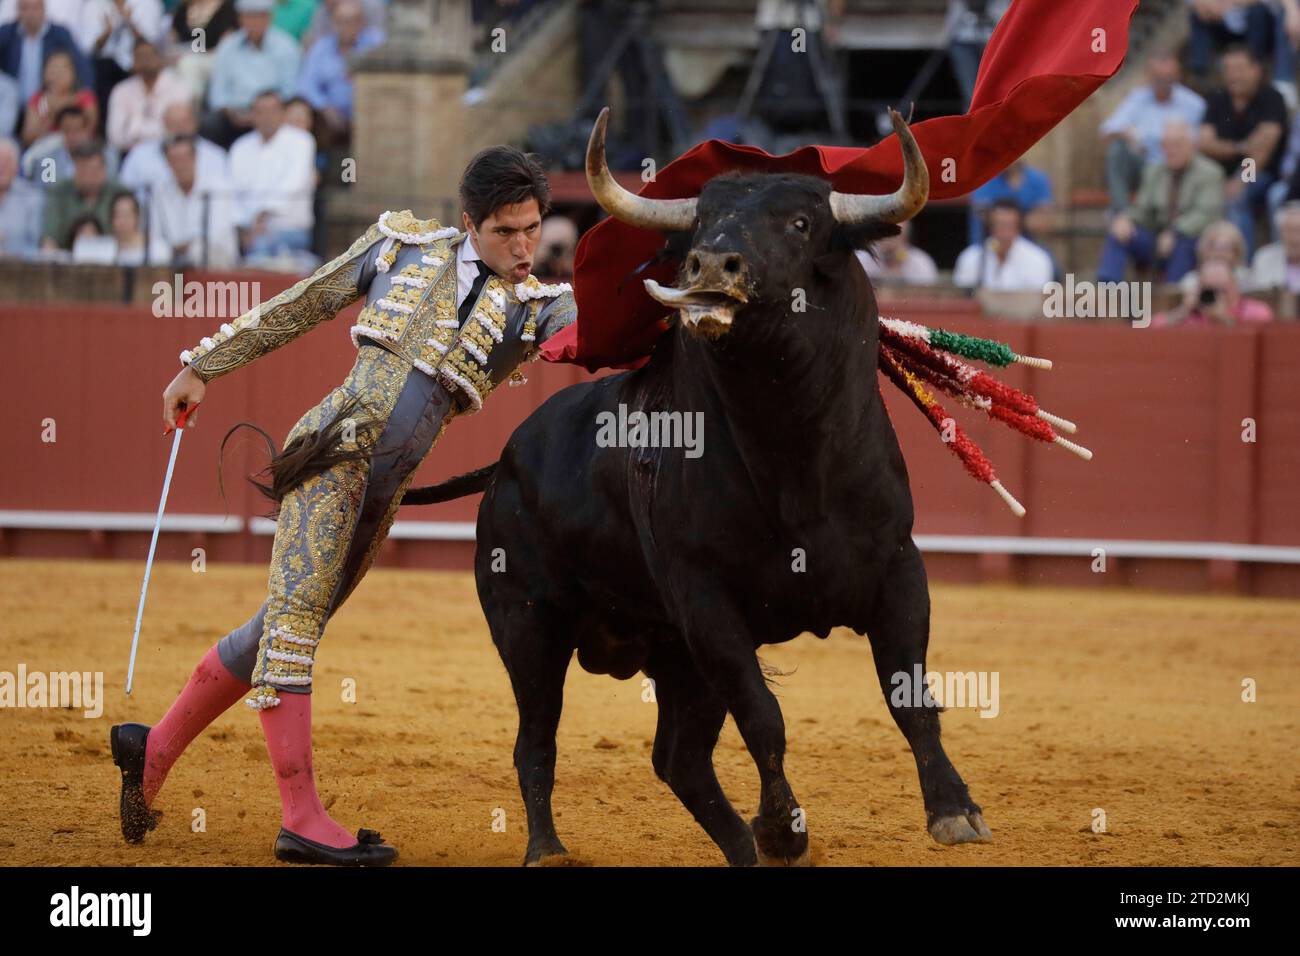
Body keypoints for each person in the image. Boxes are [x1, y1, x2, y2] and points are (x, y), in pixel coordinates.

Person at [110, 144, 578, 866]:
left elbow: (592, 335)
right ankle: (300, 818)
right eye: (505, 233)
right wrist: (201, 366)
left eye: (532, 229)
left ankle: (153, 749)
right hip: (330, 455)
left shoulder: (534, 306)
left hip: (380, 496)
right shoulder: (399, 247)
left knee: (280, 626)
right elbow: (302, 304)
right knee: (294, 631)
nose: (523, 248)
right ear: (468, 223)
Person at [1098, 118, 1225, 283]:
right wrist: (1126, 219)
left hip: (1192, 240)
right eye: (1166, 145)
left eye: (1177, 144)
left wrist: (1175, 232)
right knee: (1120, 232)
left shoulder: (1211, 173)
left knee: (1183, 246)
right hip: (1158, 239)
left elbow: (1206, 214)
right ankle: (1106, 289)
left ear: (1192, 145)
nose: (1171, 150)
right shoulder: (1154, 171)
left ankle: (1171, 295)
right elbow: (1143, 210)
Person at [1199, 44, 1288, 254]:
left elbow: (1262, 150)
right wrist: (1241, 146)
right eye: (1228, 69)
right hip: (1219, 175)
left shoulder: (1272, 98)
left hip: (1261, 173)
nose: (1233, 76)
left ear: (1256, 70)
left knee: (1238, 197)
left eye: (1239, 69)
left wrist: (1241, 179)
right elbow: (1204, 142)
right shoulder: (1218, 99)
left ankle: (1242, 266)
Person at [1099, 50, 1206, 213]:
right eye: (1158, 77)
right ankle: (1121, 214)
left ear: (1178, 75)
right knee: (1118, 150)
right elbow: (1107, 131)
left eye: (1168, 77)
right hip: (1144, 165)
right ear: (1149, 76)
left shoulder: (1194, 104)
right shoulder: (1137, 98)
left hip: (1177, 169)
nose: (1163, 82)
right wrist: (1127, 134)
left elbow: (1199, 143)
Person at [227, 88, 314, 263]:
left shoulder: (302, 141)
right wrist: (245, 227)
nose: (266, 117)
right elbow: (230, 192)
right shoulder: (240, 147)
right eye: (260, 112)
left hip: (289, 228)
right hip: (245, 230)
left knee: (258, 254)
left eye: (272, 111)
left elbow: (293, 184)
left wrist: (260, 217)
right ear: (252, 115)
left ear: (282, 113)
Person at [202, 0, 299, 148]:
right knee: (210, 124)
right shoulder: (228, 46)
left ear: (269, 17)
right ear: (240, 18)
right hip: (235, 115)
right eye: (250, 16)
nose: (255, 21)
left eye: (260, 15)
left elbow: (289, 90)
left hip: (272, 111)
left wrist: (263, 111)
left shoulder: (286, 46)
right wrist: (231, 111)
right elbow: (218, 94)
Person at [295, 0, 382, 145]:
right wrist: (324, 106)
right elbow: (306, 85)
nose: (346, 27)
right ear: (333, 23)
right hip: (330, 119)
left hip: (370, 112)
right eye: (340, 21)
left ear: (362, 22)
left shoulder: (376, 43)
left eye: (352, 21)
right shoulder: (321, 47)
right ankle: (327, 164)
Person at [147, 132, 238, 266]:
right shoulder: (159, 192)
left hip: (216, 265)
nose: (181, 165)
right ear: (167, 162)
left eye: (185, 158)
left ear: (195, 158)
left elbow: (217, 237)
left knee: (203, 250)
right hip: (172, 264)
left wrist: (182, 247)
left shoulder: (218, 188)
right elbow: (155, 235)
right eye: (174, 160)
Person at [118, 99, 227, 194]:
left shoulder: (216, 156)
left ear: (195, 123)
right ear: (164, 124)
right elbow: (126, 192)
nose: (178, 129)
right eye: (173, 123)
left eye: (184, 122)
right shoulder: (139, 156)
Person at [105, 37, 189, 153]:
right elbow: (115, 137)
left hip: (169, 152)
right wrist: (158, 129)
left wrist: (135, 127)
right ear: (133, 62)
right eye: (140, 57)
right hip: (131, 154)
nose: (145, 61)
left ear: (160, 59)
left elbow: (178, 131)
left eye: (149, 56)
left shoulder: (177, 86)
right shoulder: (121, 90)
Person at [0, 0, 92, 105]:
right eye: (24, 8)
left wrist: (86, 97)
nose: (30, 14)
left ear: (43, 9)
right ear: (17, 11)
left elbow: (82, 65)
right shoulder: (7, 33)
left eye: (35, 8)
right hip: (10, 105)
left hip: (47, 106)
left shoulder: (59, 35)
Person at [39, 137, 126, 247]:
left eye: (93, 171)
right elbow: (49, 238)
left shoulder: (119, 194)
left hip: (113, 259)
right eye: (83, 171)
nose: (88, 177)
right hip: (66, 259)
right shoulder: (59, 193)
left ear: (103, 171)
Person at [953, 197, 1054, 291]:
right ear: (990, 226)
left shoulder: (1037, 259)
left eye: (1009, 226)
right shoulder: (970, 258)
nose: (1004, 233)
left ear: (1019, 227)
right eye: (1000, 225)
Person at [1155, 256, 1274, 324]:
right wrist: (1181, 312)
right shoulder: (1190, 313)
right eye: (1210, 289)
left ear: (1235, 288)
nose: (1216, 296)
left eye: (1222, 290)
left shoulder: (1256, 311)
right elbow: (1150, 332)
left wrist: (1225, 319)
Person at [18, 48, 96, 146]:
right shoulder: (38, 100)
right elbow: (28, 137)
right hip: (46, 151)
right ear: (44, 73)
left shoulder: (85, 97)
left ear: (73, 73)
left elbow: (90, 130)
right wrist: (49, 116)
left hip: (78, 151)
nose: (57, 74)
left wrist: (61, 105)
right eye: (53, 68)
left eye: (63, 69)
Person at [945, 0, 1011, 108]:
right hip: (961, 36)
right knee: (970, 95)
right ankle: (972, 123)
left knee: (999, 92)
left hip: (997, 35)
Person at [854, 218, 939, 285]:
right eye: (885, 236)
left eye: (896, 237)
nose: (890, 243)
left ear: (906, 239)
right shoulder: (862, 260)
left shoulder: (921, 262)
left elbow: (927, 296)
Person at [0, 135, 42, 255]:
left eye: (7, 162)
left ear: (17, 167)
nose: (1, 167)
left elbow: (36, 245)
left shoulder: (32, 197)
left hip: (20, 268)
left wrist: (9, 249)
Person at [1249, 199, 1300, 291]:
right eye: (1290, 230)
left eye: (1298, 231)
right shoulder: (1264, 258)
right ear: (1280, 233)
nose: (1295, 238)